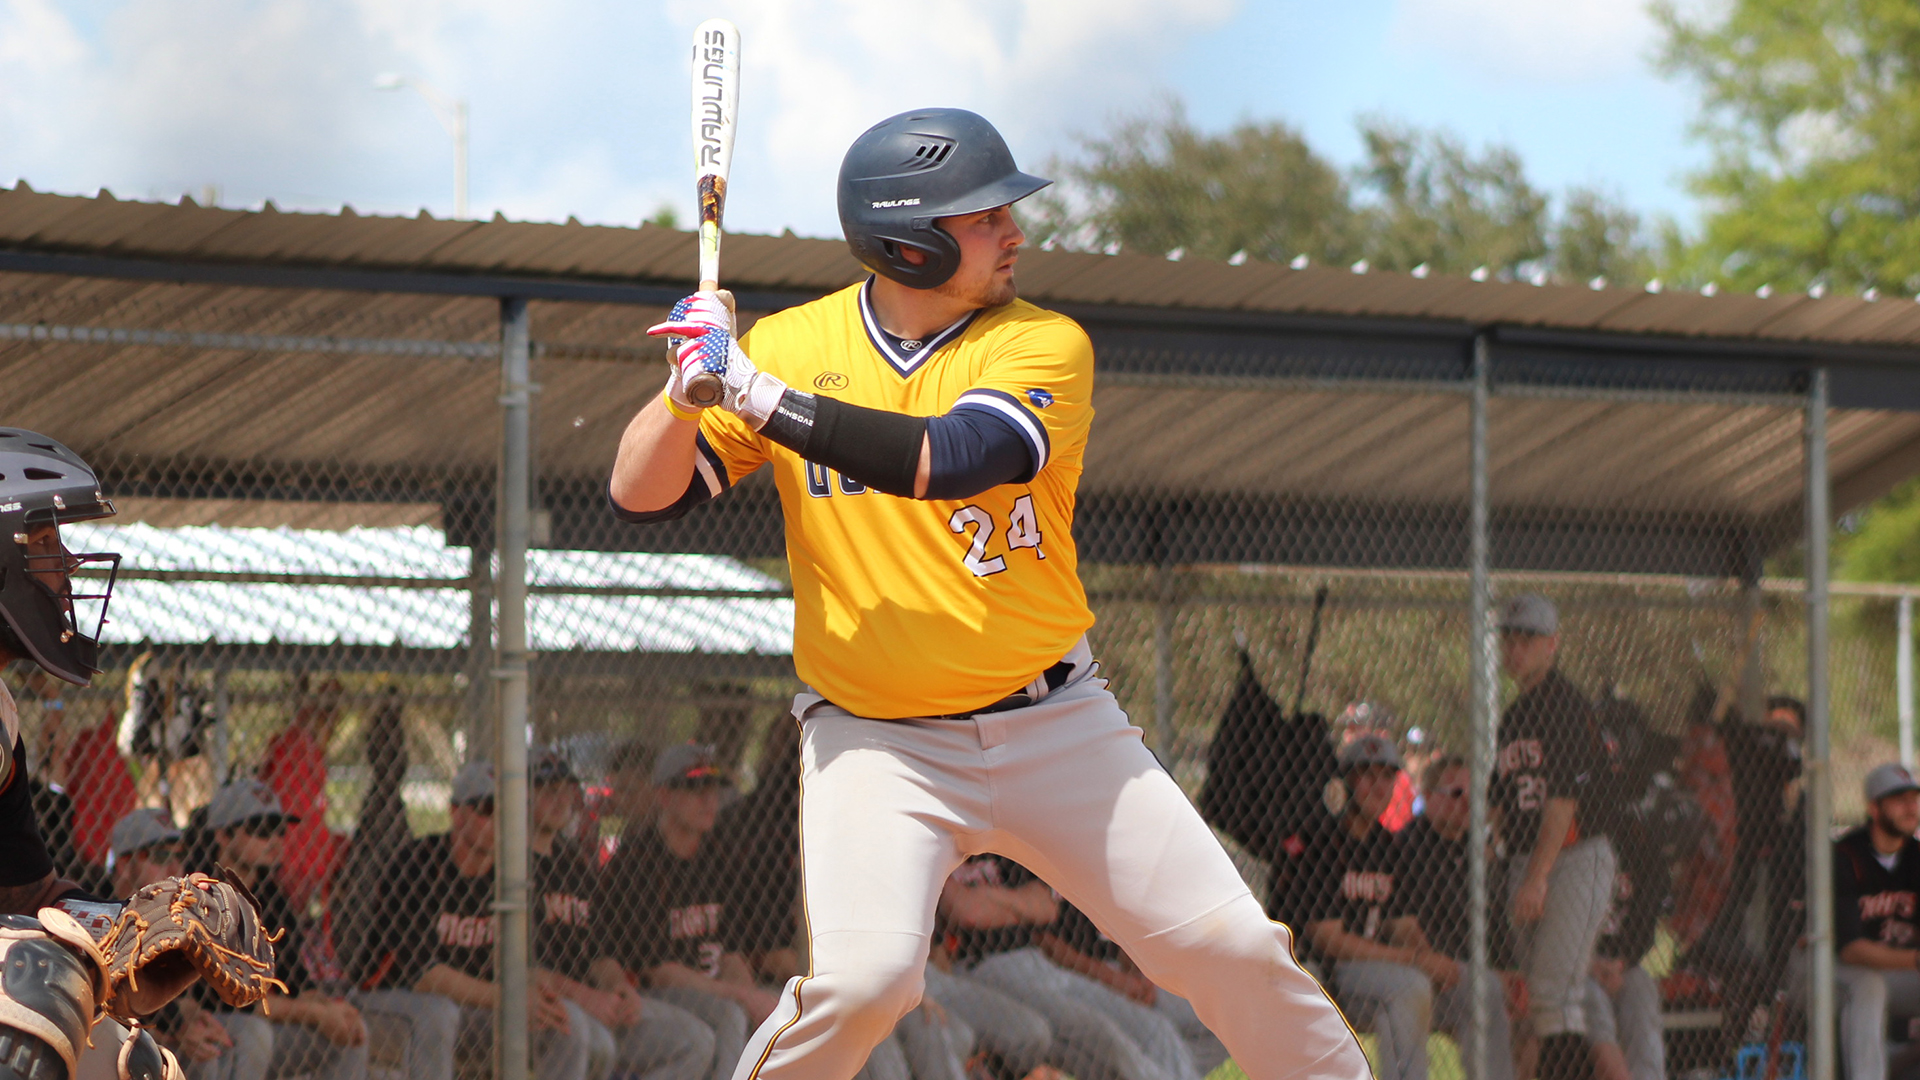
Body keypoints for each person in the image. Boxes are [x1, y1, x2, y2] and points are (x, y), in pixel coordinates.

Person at [606, 106, 1363, 1080]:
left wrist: (751, 392)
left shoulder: (1041, 343)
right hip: (877, 741)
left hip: (1056, 726)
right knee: (864, 984)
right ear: (907, 243)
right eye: (984, 217)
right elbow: (641, 495)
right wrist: (684, 392)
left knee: (1235, 949)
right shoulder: (791, 347)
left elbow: (951, 457)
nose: (1014, 232)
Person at [358, 761, 593, 1080]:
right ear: (456, 813)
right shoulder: (416, 864)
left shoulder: (515, 875)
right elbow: (424, 976)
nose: (500, 821)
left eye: (510, 811)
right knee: (438, 1015)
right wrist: (510, 999)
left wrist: (536, 999)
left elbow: (529, 965)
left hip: (476, 1009)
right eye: (487, 809)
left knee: (567, 1022)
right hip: (388, 1005)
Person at [527, 748, 720, 1080]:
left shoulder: (572, 864)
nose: (559, 800)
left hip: (599, 1001)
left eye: (564, 790)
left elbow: (600, 951)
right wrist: (588, 997)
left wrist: (619, 988)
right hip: (552, 1005)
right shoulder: (512, 869)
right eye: (546, 791)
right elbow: (524, 969)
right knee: (596, 1044)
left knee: (697, 1041)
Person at [1493, 593, 1616, 1080]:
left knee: (1554, 997)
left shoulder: (1565, 705)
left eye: (1528, 639)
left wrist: (1537, 878)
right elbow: (1500, 802)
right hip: (1528, 862)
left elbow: (1564, 803)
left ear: (1552, 645)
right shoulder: (1513, 717)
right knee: (1538, 1003)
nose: (1516, 649)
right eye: (1509, 639)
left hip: (1572, 860)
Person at [1282, 735, 1450, 1080]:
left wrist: (1432, 960)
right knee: (1409, 984)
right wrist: (1412, 959)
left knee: (1417, 990)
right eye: (1367, 775)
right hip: (1315, 968)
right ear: (1346, 782)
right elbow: (1329, 940)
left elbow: (1403, 926)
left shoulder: (1388, 847)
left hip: (1365, 973)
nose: (1379, 786)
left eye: (1387, 776)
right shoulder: (1322, 840)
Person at [944, 855, 1191, 1080]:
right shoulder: (940, 848)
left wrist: (986, 898)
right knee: (1106, 1040)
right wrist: (1018, 904)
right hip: (984, 967)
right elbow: (968, 912)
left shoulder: (1000, 843)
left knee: (1157, 1030)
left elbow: (1046, 909)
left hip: (1042, 964)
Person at [600, 744, 762, 1080]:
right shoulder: (638, 862)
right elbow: (661, 972)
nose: (709, 800)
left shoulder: (719, 857)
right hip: (651, 996)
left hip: (710, 992)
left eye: (712, 789)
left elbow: (732, 954)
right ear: (664, 796)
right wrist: (744, 997)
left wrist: (753, 998)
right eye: (694, 789)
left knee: (780, 1013)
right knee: (731, 1014)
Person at [196, 779, 369, 1080]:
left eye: (279, 830)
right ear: (223, 835)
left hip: (262, 1026)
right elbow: (232, 998)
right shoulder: (200, 892)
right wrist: (313, 1013)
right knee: (255, 1034)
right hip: (216, 1029)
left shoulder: (271, 893)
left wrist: (329, 1007)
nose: (275, 841)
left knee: (351, 1030)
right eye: (261, 830)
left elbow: (294, 980)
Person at [1391, 755, 1518, 1080]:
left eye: (1475, 795)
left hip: (1472, 972)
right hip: (1431, 973)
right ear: (1428, 796)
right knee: (1487, 991)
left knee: (1531, 1006)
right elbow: (1414, 934)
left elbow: (1497, 923)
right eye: (1457, 794)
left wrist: (1510, 972)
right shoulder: (1407, 848)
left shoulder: (1477, 849)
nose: (1467, 804)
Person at [1032, 901, 1229, 1077]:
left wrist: (1140, 969)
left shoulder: (1109, 876)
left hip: (1128, 970)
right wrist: (1117, 980)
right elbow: (1046, 943)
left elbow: (1126, 923)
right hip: (1075, 975)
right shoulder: (1057, 880)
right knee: (1158, 1033)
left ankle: (1169, 1068)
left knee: (1224, 1015)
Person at [1831, 763, 1920, 1080]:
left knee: (1876, 984)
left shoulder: (1917, 857)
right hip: (1833, 973)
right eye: (1898, 799)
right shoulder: (1844, 857)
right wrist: (1915, 959)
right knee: (1869, 986)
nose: (1910, 807)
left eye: (1914, 798)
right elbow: (1851, 951)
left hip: (1898, 972)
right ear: (1874, 808)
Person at [1582, 810, 1669, 1080]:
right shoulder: (1577, 850)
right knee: (1593, 998)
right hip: (1577, 965)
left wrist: (1621, 964)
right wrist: (1591, 964)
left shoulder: (1644, 855)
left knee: (1641, 987)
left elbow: (1644, 929)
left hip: (1620, 965)